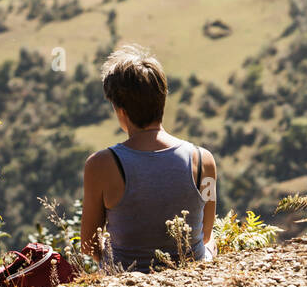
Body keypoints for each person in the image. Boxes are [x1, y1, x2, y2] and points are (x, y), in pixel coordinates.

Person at [80, 44, 217, 272]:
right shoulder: (204, 161)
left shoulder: (100, 164)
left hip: (125, 277)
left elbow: (88, 245)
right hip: (190, 273)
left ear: (120, 110)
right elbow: (205, 234)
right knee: (212, 243)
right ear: (162, 99)